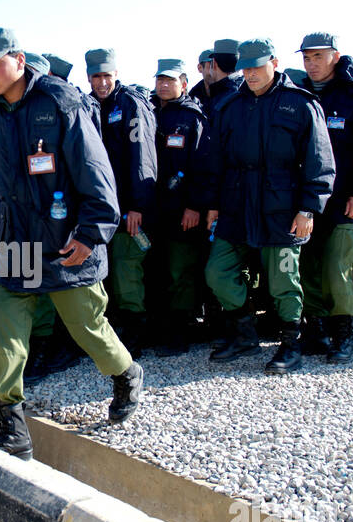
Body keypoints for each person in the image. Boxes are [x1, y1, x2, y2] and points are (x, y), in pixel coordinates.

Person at [0, 27, 144, 460]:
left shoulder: (59, 101)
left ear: (19, 58)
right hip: (13, 242)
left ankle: (125, 374)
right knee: (3, 323)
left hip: (65, 239)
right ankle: (12, 423)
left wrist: (91, 233)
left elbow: (94, 169)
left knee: (87, 325)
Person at [204, 38, 336, 373]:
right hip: (236, 206)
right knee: (217, 272)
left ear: (274, 63)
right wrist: (213, 205)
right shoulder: (230, 106)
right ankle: (244, 332)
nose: (250, 74)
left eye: (257, 66)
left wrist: (308, 209)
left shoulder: (300, 104)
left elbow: (320, 162)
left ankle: (291, 344)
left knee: (282, 280)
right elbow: (216, 162)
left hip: (281, 209)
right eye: (245, 67)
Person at [295, 33, 353, 362]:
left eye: (318, 56)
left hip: (346, 202)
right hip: (307, 202)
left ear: (336, 56)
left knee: (338, 269)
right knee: (308, 266)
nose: (312, 63)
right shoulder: (298, 93)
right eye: (307, 57)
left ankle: (343, 333)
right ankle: (317, 328)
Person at [86, 47, 158, 356]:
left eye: (107, 76)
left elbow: (142, 160)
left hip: (129, 206)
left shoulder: (130, 104)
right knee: (107, 270)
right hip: (102, 207)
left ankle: (137, 331)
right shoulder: (89, 105)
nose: (102, 83)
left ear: (116, 74)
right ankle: (114, 329)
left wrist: (137, 207)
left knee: (127, 269)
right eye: (96, 77)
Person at [148, 58, 206, 356]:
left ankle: (180, 332)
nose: (163, 85)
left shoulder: (190, 117)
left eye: (170, 81)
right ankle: (161, 327)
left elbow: (200, 165)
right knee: (158, 269)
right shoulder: (148, 111)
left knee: (180, 271)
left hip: (182, 208)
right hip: (155, 208)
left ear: (183, 83)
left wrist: (195, 206)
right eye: (160, 80)